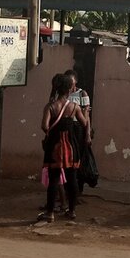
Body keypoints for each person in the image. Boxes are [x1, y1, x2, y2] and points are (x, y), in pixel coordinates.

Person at [37, 73, 87, 223]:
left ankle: (50, 213)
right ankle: (72, 211)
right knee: (72, 180)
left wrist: (52, 133)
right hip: (71, 147)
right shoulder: (74, 107)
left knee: (54, 180)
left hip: (55, 147)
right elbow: (84, 123)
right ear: (69, 89)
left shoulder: (51, 106)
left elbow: (44, 126)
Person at [65, 69, 93, 199]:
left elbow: (86, 117)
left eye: (71, 81)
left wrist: (87, 134)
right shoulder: (63, 95)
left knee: (79, 159)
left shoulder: (82, 94)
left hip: (79, 129)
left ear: (75, 81)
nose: (70, 84)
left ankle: (78, 190)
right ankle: (68, 190)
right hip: (67, 129)